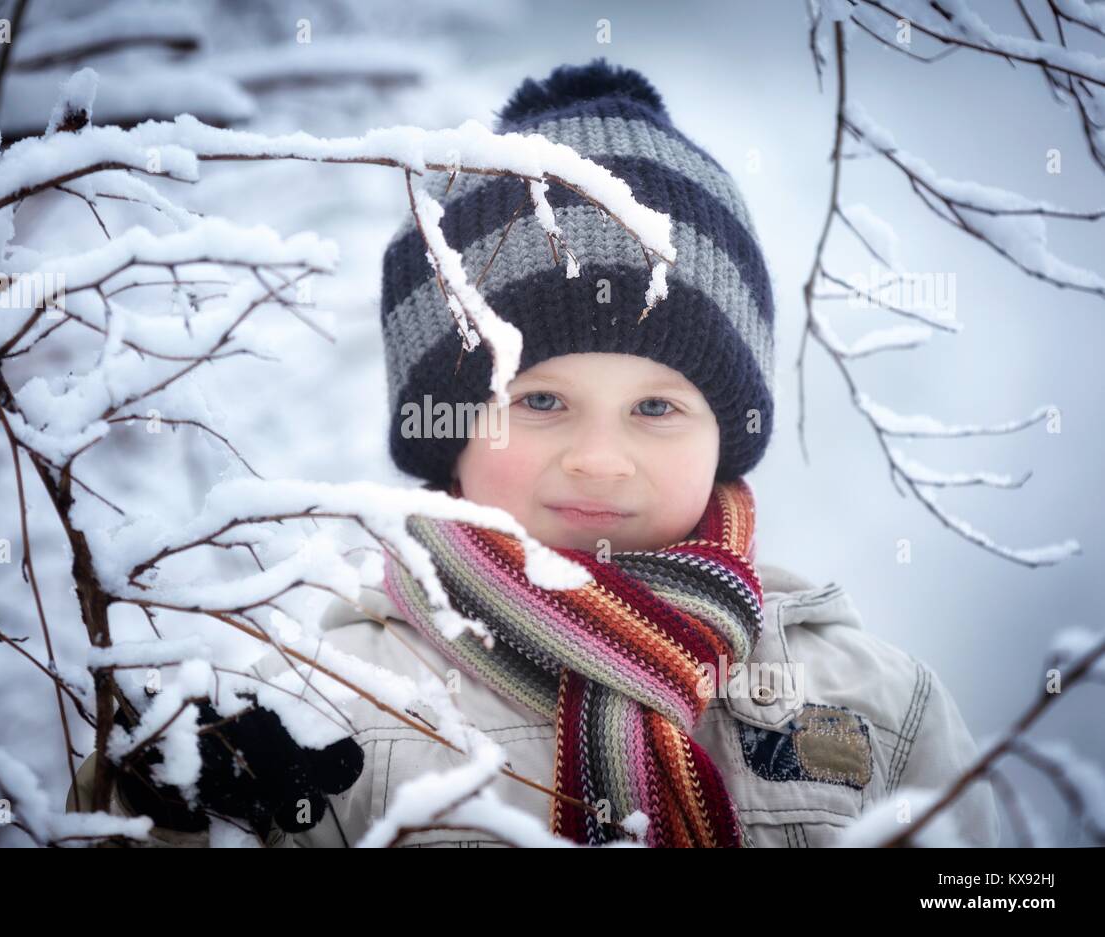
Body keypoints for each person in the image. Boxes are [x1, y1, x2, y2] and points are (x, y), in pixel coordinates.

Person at [67, 57, 1001, 848]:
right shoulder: (319, 700)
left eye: (657, 407)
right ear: (448, 433)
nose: (601, 458)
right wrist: (160, 797)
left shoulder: (871, 703)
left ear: (726, 436)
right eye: (542, 400)